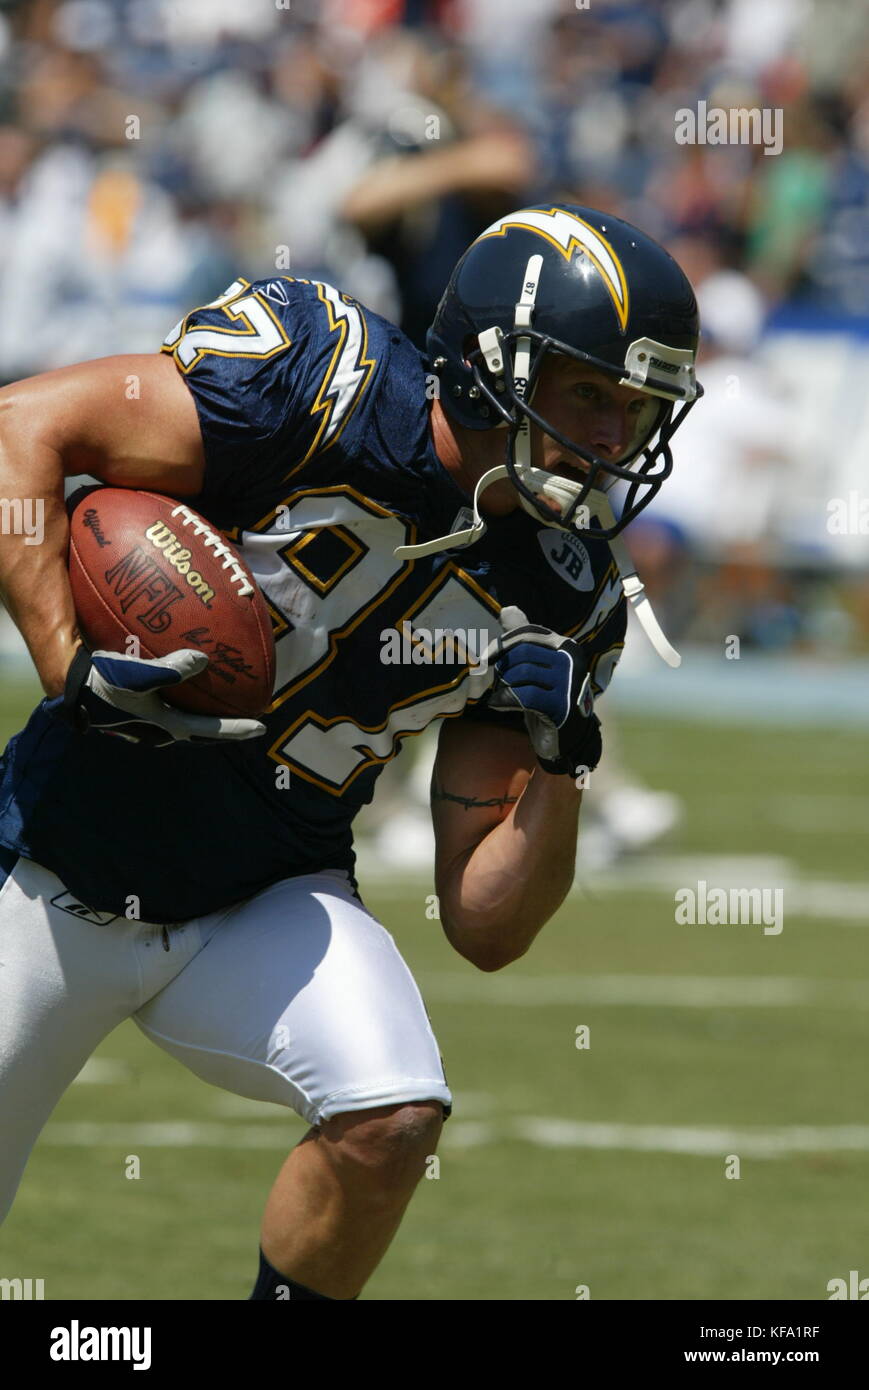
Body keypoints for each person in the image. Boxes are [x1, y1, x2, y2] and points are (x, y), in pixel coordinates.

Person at [0, 203, 700, 1300]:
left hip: (267, 888)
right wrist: (64, 662)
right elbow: (19, 428)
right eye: (587, 396)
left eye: (635, 409)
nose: (614, 439)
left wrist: (563, 761)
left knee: (391, 1120)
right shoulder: (319, 380)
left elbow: (485, 921)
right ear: (488, 368)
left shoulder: (564, 592)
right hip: (52, 871)